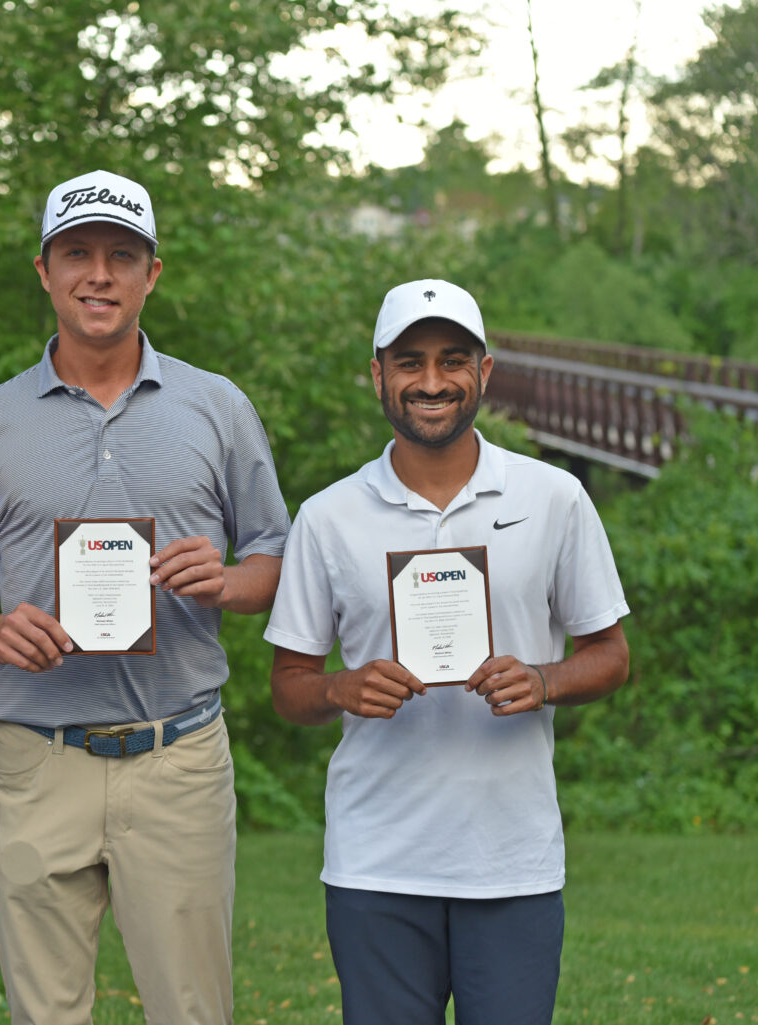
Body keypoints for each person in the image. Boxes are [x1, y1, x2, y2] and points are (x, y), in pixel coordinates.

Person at [0, 169, 290, 1024]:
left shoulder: (218, 407)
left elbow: (275, 551)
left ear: (152, 274)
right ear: (44, 271)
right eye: (77, 254)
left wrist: (229, 581)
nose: (99, 274)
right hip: (34, 756)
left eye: (121, 256)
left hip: (178, 757)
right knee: (44, 1013)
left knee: (192, 1010)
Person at [263, 279, 630, 1024]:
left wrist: (543, 678)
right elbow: (289, 684)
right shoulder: (328, 516)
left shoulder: (554, 497)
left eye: (451, 360)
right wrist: (342, 687)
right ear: (378, 374)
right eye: (410, 362)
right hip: (376, 862)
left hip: (513, 861)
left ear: (484, 372)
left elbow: (611, 652)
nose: (431, 382)